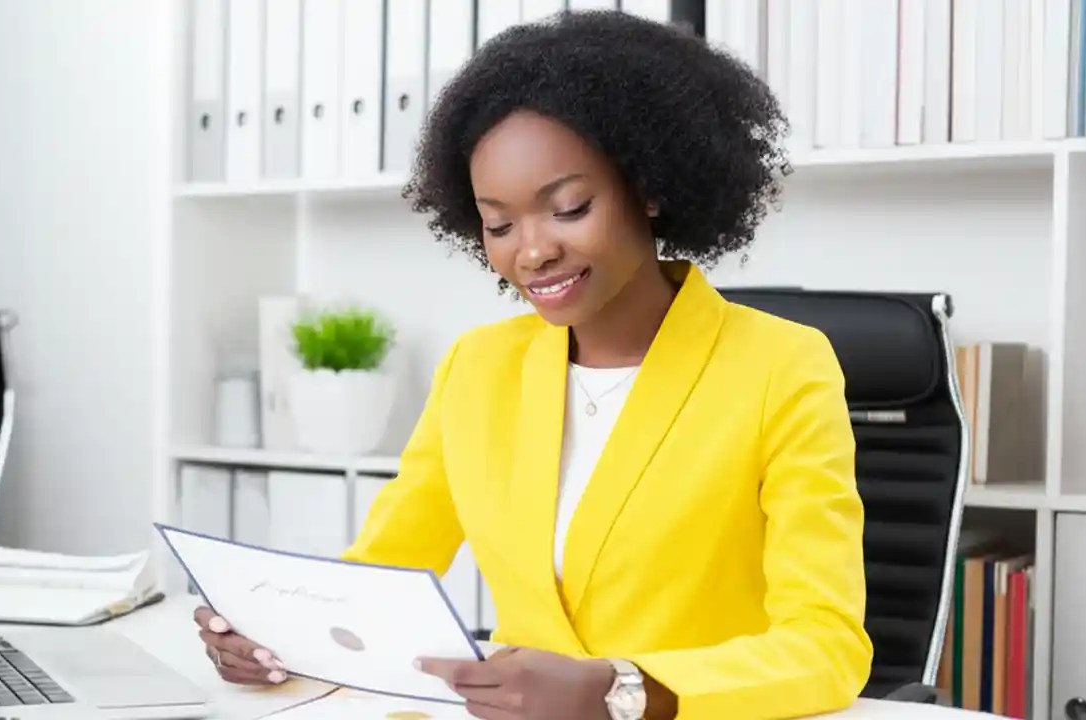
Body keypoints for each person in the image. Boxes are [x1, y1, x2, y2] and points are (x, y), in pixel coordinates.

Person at [194, 10, 873, 720]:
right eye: (499, 223)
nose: (533, 251)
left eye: (569, 207)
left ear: (647, 186)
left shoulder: (782, 367)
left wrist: (620, 689)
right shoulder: (479, 367)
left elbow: (824, 646)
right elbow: (381, 576)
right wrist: (275, 637)